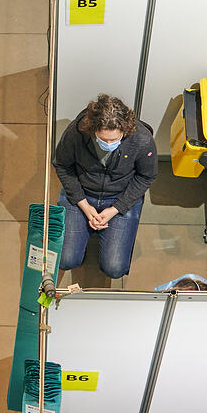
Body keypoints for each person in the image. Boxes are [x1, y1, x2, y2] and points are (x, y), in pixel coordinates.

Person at [52, 95, 157, 281]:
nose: (109, 145)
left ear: (125, 130)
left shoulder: (141, 139)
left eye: (114, 139)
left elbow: (146, 176)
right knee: (65, 260)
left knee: (115, 269)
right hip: (82, 194)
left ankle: (95, 229)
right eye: (103, 139)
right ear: (92, 130)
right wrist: (83, 204)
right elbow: (62, 165)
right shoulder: (76, 134)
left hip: (120, 196)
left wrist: (115, 209)